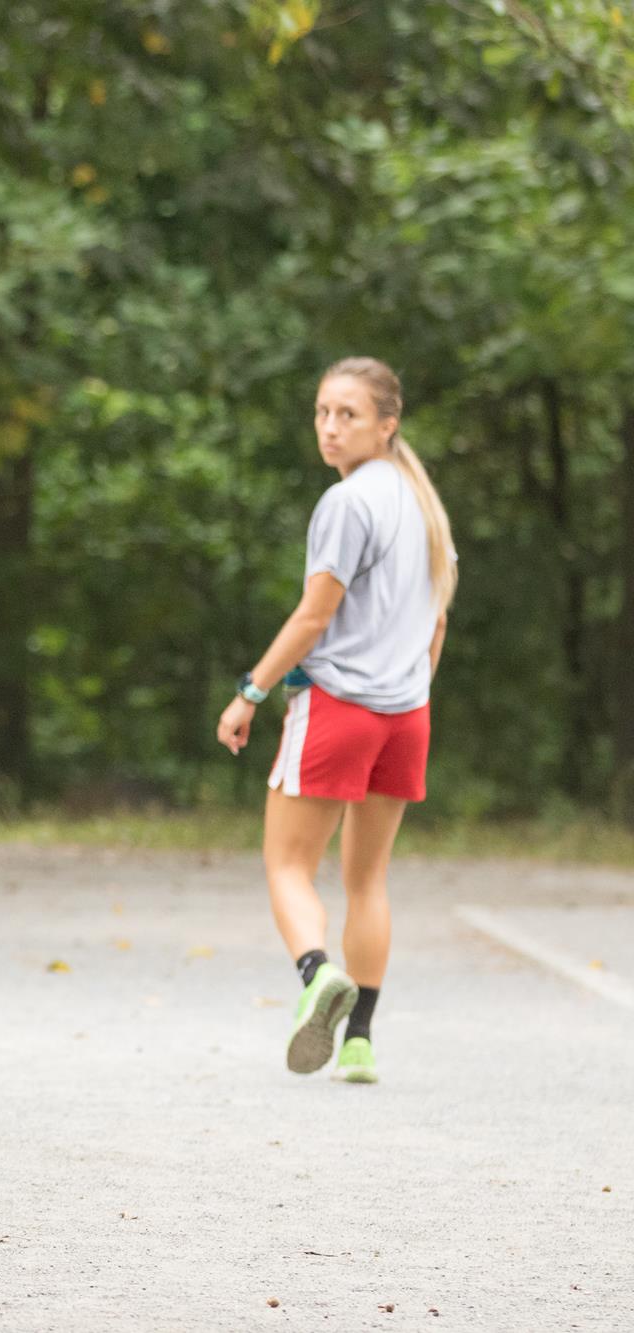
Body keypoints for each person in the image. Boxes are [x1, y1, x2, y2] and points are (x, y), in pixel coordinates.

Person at [216, 357, 456, 1086]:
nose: (329, 427)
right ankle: (359, 1041)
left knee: (288, 864)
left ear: (388, 424)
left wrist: (250, 693)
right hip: (405, 716)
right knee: (368, 879)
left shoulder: (348, 504)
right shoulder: (423, 505)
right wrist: (407, 687)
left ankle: (317, 975)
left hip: (340, 709)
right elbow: (436, 625)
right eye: (322, 412)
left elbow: (315, 615)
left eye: (347, 414)